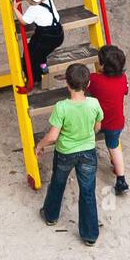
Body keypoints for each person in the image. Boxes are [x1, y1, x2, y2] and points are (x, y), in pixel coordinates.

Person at [37, 63, 103, 245]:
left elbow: (52, 136)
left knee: (58, 182)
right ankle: (90, 234)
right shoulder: (94, 103)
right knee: (88, 191)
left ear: (66, 83)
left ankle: (50, 215)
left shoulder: (61, 107)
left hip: (65, 152)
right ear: (87, 84)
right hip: (88, 151)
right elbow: (97, 127)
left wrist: (40, 146)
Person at [87, 45, 130, 196]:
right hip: (117, 123)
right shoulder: (123, 78)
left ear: (103, 65)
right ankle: (120, 177)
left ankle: (120, 179)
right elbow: (125, 90)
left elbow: (87, 87)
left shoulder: (95, 79)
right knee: (114, 147)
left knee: (92, 140)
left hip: (99, 122)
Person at [17, 0, 63, 83]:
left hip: (46, 37)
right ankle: (43, 65)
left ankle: (34, 77)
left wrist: (15, 8)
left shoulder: (34, 9)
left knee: (31, 55)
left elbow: (23, 21)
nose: (31, 1)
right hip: (58, 32)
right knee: (40, 50)